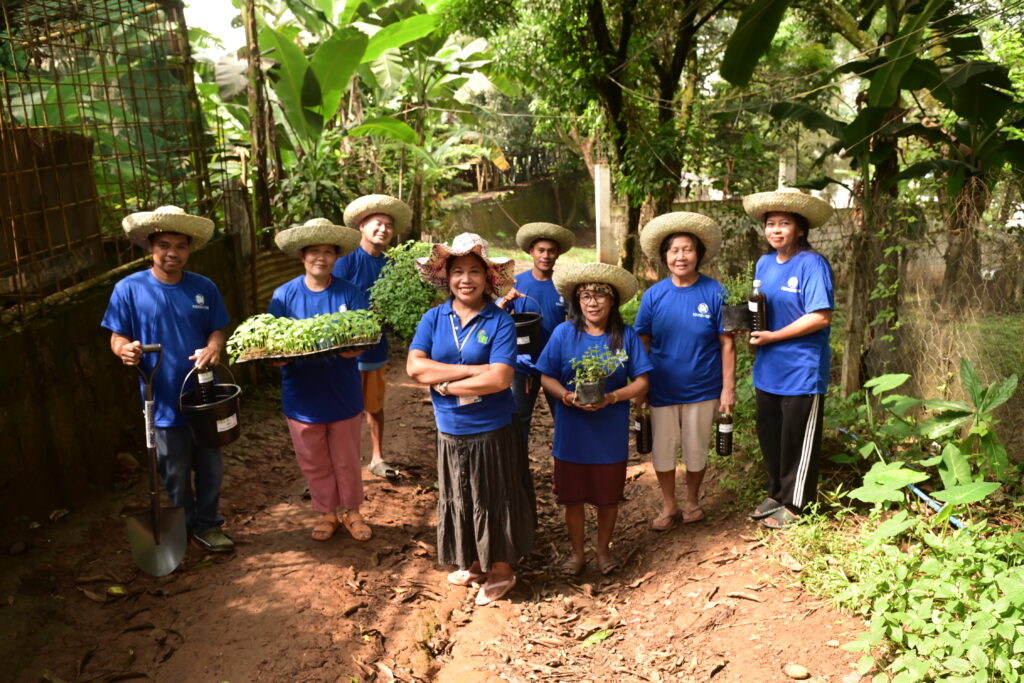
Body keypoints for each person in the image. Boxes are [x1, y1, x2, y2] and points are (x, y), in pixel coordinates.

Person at [407, 233, 535, 606]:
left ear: (488, 278)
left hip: (491, 430)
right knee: (461, 497)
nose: (466, 279)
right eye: (458, 271)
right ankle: (476, 562)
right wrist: (469, 371)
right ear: (447, 277)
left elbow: (500, 379)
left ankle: (501, 571)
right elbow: (415, 367)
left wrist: (445, 383)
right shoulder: (434, 318)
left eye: (474, 271)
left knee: (494, 498)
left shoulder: (500, 321)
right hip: (450, 429)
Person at [101, 206, 234, 553]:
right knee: (174, 472)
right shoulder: (128, 289)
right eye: (164, 245)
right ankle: (183, 527)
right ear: (150, 246)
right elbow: (117, 336)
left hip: (204, 397)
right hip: (159, 399)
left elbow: (217, 330)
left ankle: (209, 525)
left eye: (180, 245)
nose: (172, 252)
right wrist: (125, 350)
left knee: (211, 468)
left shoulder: (204, 287)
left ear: (189, 249)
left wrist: (213, 347)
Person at [536, 262, 653, 576]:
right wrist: (567, 396)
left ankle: (602, 551)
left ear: (612, 300)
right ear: (577, 301)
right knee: (572, 498)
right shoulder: (564, 333)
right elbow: (545, 376)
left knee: (607, 498)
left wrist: (612, 397)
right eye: (585, 295)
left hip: (609, 433)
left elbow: (642, 381)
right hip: (571, 432)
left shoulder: (625, 336)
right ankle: (577, 554)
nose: (592, 302)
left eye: (600, 295)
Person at [269, 218, 373, 543]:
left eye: (328, 252)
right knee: (314, 460)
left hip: (342, 392)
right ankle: (327, 512)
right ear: (302, 255)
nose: (321, 258)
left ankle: (352, 511)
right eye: (314, 251)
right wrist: (278, 356)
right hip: (301, 395)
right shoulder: (283, 296)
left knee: (346, 458)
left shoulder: (350, 293)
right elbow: (271, 344)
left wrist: (355, 348)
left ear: (336, 257)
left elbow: (365, 336)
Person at [635, 212, 736, 531]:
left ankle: (692, 501)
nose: (681, 256)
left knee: (696, 449)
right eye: (674, 250)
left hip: (703, 387)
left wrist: (727, 389)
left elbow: (727, 344)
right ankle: (669, 505)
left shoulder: (715, 292)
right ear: (665, 257)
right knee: (662, 451)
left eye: (687, 249)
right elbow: (642, 343)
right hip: (661, 387)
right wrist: (640, 387)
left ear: (698, 254)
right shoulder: (654, 295)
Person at [741, 188, 835, 529]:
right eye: (770, 224)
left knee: (797, 439)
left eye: (784, 223)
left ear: (800, 229)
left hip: (801, 370)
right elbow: (762, 309)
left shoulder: (812, 264)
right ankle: (776, 494)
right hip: (768, 368)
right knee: (771, 435)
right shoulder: (764, 263)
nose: (776, 230)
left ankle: (798, 505)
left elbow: (820, 317)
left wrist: (775, 336)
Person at [333, 194, 413, 481]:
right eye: (377, 223)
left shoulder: (391, 263)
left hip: (376, 347)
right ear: (361, 226)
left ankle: (377, 457)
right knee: (344, 407)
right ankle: (342, 462)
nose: (383, 229)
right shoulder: (347, 259)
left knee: (375, 404)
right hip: (345, 347)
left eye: (388, 225)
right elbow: (334, 298)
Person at [497, 222, 574, 444]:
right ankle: (517, 464)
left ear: (558, 254)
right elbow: (496, 320)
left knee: (565, 417)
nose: (546, 256)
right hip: (523, 365)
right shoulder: (516, 283)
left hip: (556, 365)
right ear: (531, 251)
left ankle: (566, 461)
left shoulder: (564, 287)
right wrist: (505, 302)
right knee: (519, 419)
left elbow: (576, 323)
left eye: (551, 251)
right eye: (541, 250)